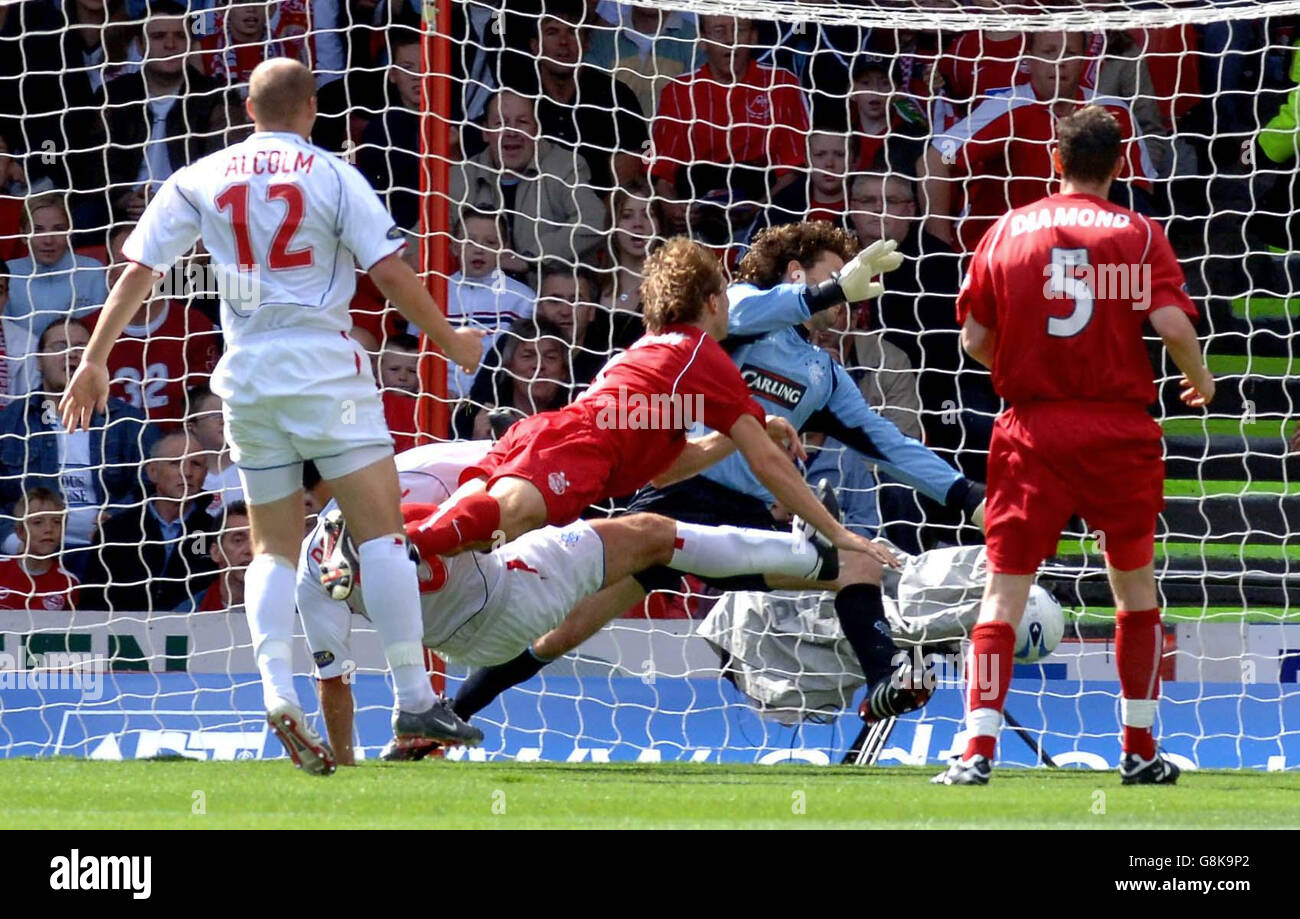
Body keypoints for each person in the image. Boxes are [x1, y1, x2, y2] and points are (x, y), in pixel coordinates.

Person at [58, 58, 488, 776]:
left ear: (247, 108)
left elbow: (140, 268)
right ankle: (414, 697)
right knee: (383, 534)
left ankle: (274, 687)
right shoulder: (335, 174)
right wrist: (452, 339)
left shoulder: (201, 174)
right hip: (325, 366)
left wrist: (95, 357)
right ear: (311, 108)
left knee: (272, 550)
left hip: (247, 375)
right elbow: (388, 273)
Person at [442, 224, 982, 726]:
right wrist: (831, 290)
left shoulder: (826, 376)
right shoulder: (738, 311)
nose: (851, 294)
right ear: (797, 273)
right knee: (564, 630)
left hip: (746, 517)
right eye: (832, 269)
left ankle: (884, 680)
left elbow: (891, 445)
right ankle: (450, 713)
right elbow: (755, 312)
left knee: (856, 564)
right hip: (676, 497)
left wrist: (966, 495)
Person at [932, 106, 1213, 786]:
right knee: (1135, 585)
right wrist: (1199, 377)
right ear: (1120, 165)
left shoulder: (1005, 231)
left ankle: (976, 750)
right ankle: (1140, 747)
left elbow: (972, 340)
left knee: (1003, 592)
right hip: (1118, 428)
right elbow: (1172, 322)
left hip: (1033, 427)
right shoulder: (1139, 233)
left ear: (1053, 162)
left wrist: (1025, 364)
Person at [385, 236, 900, 575]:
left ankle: (381, 541)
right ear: (714, 302)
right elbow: (768, 466)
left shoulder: (659, 354)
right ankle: (385, 547)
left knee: (467, 535)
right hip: (577, 448)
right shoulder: (702, 354)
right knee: (496, 522)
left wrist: (735, 434)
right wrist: (834, 530)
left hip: (551, 436)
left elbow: (665, 469)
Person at [298, 443, 841, 764]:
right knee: (652, 534)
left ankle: (433, 705)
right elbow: (517, 472)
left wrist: (347, 766)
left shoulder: (308, 566)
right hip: (513, 594)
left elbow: (333, 680)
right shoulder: (416, 469)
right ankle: (807, 554)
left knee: (632, 563)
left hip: (465, 639)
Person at [922, 30, 1155, 255]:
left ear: (1084, 60)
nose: (1060, 62)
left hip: (1091, 248)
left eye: (1070, 53)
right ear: (1028, 61)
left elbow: (1140, 191)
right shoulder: (1009, 106)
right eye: (1049, 52)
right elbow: (939, 155)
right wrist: (941, 248)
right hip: (1011, 250)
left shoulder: (1113, 111)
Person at [0, 319, 159, 577]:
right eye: (60, 346)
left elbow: (153, 485)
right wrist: (15, 542)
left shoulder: (129, 422)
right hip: (27, 558)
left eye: (82, 348)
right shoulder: (8, 423)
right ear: (38, 361)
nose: (72, 354)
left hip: (111, 554)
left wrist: (118, 519)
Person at [650, 15, 808, 234]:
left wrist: (761, 207)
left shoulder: (781, 85)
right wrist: (674, 208)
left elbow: (793, 169)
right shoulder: (677, 92)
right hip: (695, 212)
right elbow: (660, 172)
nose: (729, 40)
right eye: (718, 31)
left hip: (765, 211)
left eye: (739, 30)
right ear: (702, 41)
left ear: (753, 37)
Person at [83, 223, 222, 431]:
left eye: (145, 262)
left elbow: (203, 405)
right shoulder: (86, 329)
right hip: (108, 448)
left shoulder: (195, 325)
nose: (136, 272)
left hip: (179, 448)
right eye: (125, 263)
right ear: (109, 273)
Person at [450, 89, 606, 270]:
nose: (511, 132)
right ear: (485, 132)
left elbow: (594, 220)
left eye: (522, 122)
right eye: (501, 123)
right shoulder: (459, 177)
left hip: (548, 293)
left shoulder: (564, 166)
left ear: (537, 129)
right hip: (480, 293)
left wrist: (531, 259)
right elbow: (425, 236)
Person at [79, 431, 220, 612]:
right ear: (152, 472)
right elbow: (92, 603)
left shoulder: (214, 533)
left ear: (205, 474)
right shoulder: (115, 531)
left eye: (196, 464)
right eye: (175, 463)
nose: (187, 472)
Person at [4, 194, 107, 397]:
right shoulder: (7, 275)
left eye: (58, 229)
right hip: (20, 381)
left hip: (81, 375)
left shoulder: (93, 271)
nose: (48, 240)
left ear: (70, 232)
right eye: (38, 230)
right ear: (22, 234)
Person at [445, 207, 535, 400]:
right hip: (439, 398)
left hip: (494, 399)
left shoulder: (523, 298)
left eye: (490, 242)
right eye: (469, 242)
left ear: (504, 249)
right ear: (453, 247)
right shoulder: (434, 292)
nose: (479, 249)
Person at [0, 486, 79, 612]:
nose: (49, 529)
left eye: (57, 522)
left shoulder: (68, 584)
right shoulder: (2, 570)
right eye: (38, 522)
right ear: (20, 532)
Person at [183, 500, 254, 613]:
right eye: (238, 540)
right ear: (216, 552)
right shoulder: (185, 614)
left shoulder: (290, 608)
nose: (250, 550)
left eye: (258, 541)